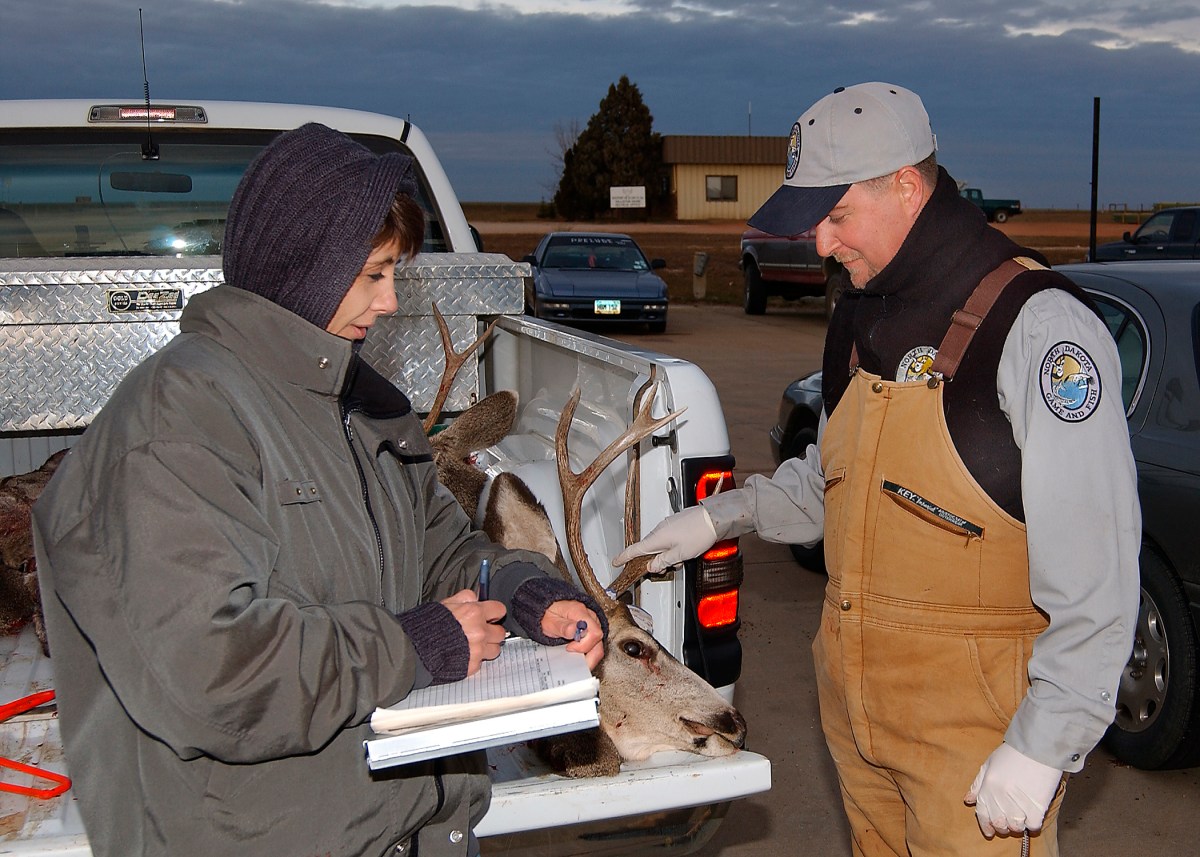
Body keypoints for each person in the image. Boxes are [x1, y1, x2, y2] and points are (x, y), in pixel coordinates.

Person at [32, 123, 605, 857]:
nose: (391, 300)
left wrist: (529, 598)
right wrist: (409, 645)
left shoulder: (362, 404)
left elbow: (442, 552)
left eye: (395, 271)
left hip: (407, 828)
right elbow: (210, 669)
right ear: (302, 266)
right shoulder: (178, 419)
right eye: (373, 273)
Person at [614, 82, 1139, 856]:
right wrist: (717, 517)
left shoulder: (1040, 329)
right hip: (856, 716)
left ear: (906, 185)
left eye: (836, 216)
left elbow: (1099, 575)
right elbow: (838, 483)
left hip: (977, 741)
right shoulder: (866, 315)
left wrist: (1044, 742)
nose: (822, 244)